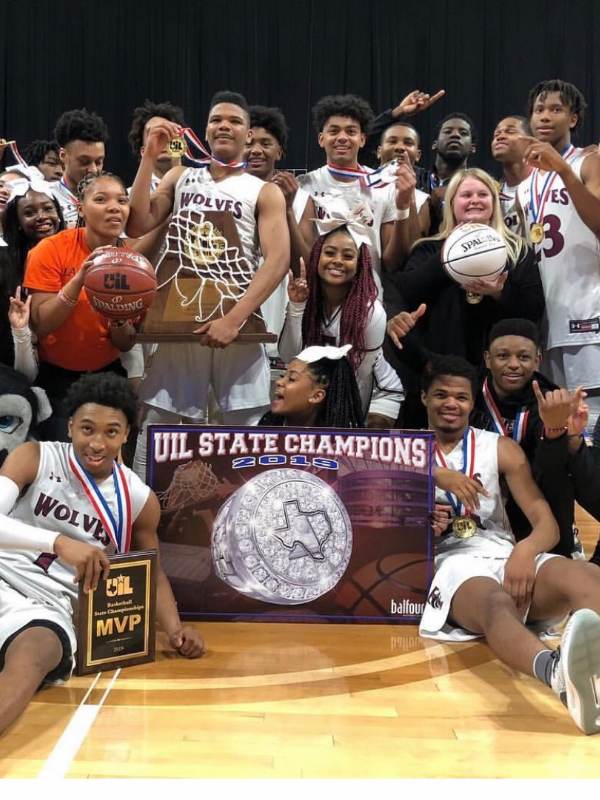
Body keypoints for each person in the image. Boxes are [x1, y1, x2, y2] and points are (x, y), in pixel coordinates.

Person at [0, 372, 204, 735]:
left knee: (31, 662)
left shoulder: (139, 499)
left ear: (126, 434)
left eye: (111, 432)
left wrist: (175, 630)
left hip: (51, 606)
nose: (96, 443)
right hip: (4, 574)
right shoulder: (34, 456)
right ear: (70, 426)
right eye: (87, 429)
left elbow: (151, 572)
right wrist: (59, 543)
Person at [419, 353, 600, 736]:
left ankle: (595, 679)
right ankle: (556, 675)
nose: (451, 404)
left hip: (503, 551)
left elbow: (546, 524)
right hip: (451, 562)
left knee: (587, 575)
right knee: (496, 603)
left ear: (472, 402)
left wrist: (525, 550)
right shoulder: (402, 450)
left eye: (461, 397)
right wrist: (433, 478)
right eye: (440, 395)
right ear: (424, 399)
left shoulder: (499, 447)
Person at [127, 90, 289, 475]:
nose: (224, 126)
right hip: (179, 317)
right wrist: (149, 157)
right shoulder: (180, 177)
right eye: (217, 119)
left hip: (237, 324)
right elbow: (137, 223)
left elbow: (278, 259)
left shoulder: (263, 191)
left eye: (234, 121)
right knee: (158, 433)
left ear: (248, 135)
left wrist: (233, 319)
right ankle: (142, 525)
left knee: (241, 438)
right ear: (205, 129)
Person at [385, 168, 544, 427]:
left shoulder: (517, 250)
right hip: (439, 374)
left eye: (483, 194)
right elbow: (406, 293)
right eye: (465, 194)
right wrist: (452, 253)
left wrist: (500, 293)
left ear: (494, 203)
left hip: (499, 383)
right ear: (451, 204)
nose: (474, 200)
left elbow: (534, 309)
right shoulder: (427, 249)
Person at [23, 173, 148, 438]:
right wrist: (81, 278)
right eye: (101, 199)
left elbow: (125, 343)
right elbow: (42, 324)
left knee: (106, 459)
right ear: (81, 208)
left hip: (107, 374)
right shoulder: (51, 249)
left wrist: (117, 316)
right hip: (56, 378)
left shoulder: (135, 265)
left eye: (122, 201)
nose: (115, 207)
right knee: (59, 466)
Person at [516, 79, 600, 430]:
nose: (545, 117)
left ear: (574, 119)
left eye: (556, 109)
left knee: (592, 423)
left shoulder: (588, 162)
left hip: (588, 315)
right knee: (559, 429)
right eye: (538, 110)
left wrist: (564, 170)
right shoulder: (524, 186)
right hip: (547, 322)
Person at [280, 225, 404, 427]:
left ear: (359, 266)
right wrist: (296, 306)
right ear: (317, 257)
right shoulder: (306, 300)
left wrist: (349, 427)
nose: (337, 261)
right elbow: (290, 356)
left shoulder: (371, 313)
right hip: (322, 387)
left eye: (348, 256)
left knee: (356, 448)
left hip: (375, 392)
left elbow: (360, 378)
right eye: (329, 253)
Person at [295, 94, 414, 287]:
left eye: (351, 131)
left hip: (367, 299)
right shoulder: (304, 185)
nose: (342, 138)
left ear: (362, 139)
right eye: (334, 131)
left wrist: (402, 209)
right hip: (317, 298)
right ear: (321, 139)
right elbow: (304, 256)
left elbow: (393, 263)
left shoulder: (383, 185)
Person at [245, 105, 316, 360]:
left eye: (266, 143)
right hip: (229, 317)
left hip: (277, 321)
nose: (255, 149)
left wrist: (286, 210)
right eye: (248, 142)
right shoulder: (223, 195)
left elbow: (306, 267)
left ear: (280, 151)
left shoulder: (301, 200)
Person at [0, 180, 65, 377]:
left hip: (66, 360)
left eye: (48, 209)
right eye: (29, 213)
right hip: (17, 363)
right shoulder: (5, 263)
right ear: (17, 222)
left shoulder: (75, 253)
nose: (42, 217)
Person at [260, 344, 364, 428]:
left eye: (292, 378)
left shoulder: (343, 446)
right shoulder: (262, 433)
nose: (279, 382)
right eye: (283, 376)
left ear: (317, 396)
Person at [52, 109, 109, 226]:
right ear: (63, 156)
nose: (93, 169)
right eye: (85, 161)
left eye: (99, 162)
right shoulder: (46, 197)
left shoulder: (113, 198)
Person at [377, 121, 430, 236]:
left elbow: (414, 247)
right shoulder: (363, 185)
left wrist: (410, 197)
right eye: (392, 141)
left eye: (408, 143)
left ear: (418, 155)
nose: (400, 147)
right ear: (379, 152)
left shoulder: (422, 200)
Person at [426, 112, 477, 232]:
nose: (455, 135)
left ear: (472, 147)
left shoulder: (481, 187)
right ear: (435, 144)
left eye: (463, 133)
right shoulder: (415, 180)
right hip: (420, 248)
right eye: (448, 131)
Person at [127, 100, 186, 192]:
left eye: (167, 132)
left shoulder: (200, 188)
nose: (162, 142)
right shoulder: (129, 197)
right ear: (143, 151)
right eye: (154, 135)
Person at [491, 116, 532, 235]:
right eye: (496, 134)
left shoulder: (548, 182)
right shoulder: (490, 193)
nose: (500, 136)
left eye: (510, 131)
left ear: (530, 140)